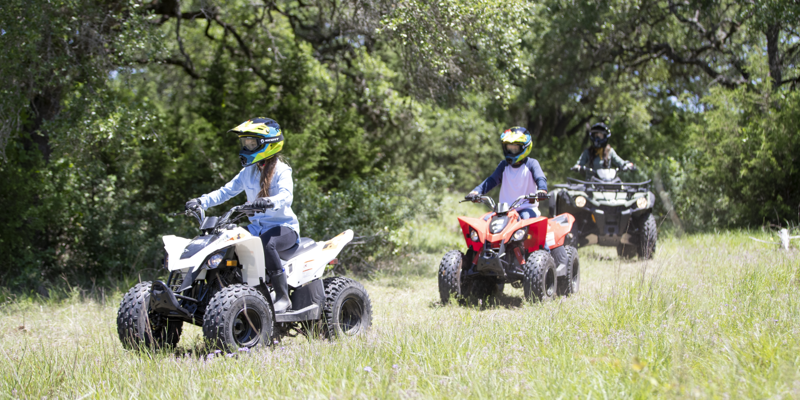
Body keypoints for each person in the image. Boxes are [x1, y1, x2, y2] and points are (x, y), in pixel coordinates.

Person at [184, 117, 298, 313]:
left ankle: (282, 297)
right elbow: (225, 192)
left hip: (283, 228)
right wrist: (200, 201)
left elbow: (286, 196)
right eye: (245, 143)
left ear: (267, 144)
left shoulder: (282, 170)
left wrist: (269, 201)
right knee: (227, 242)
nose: (246, 147)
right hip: (256, 228)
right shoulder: (248, 172)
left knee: (266, 244)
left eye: (251, 143)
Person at [468, 126, 548, 219]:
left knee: (524, 220)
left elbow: (540, 178)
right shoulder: (504, 165)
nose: (511, 152)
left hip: (527, 209)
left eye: (515, 149)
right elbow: (491, 181)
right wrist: (476, 191)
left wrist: (542, 190)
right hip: (505, 210)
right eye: (508, 148)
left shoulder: (531, 164)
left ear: (525, 148)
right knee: (485, 220)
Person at [570, 122, 634, 176]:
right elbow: (580, 163)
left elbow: (619, 162)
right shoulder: (588, 152)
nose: (597, 138)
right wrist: (577, 167)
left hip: (606, 183)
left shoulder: (610, 151)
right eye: (596, 135)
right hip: (591, 185)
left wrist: (627, 165)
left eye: (600, 135)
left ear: (605, 137)